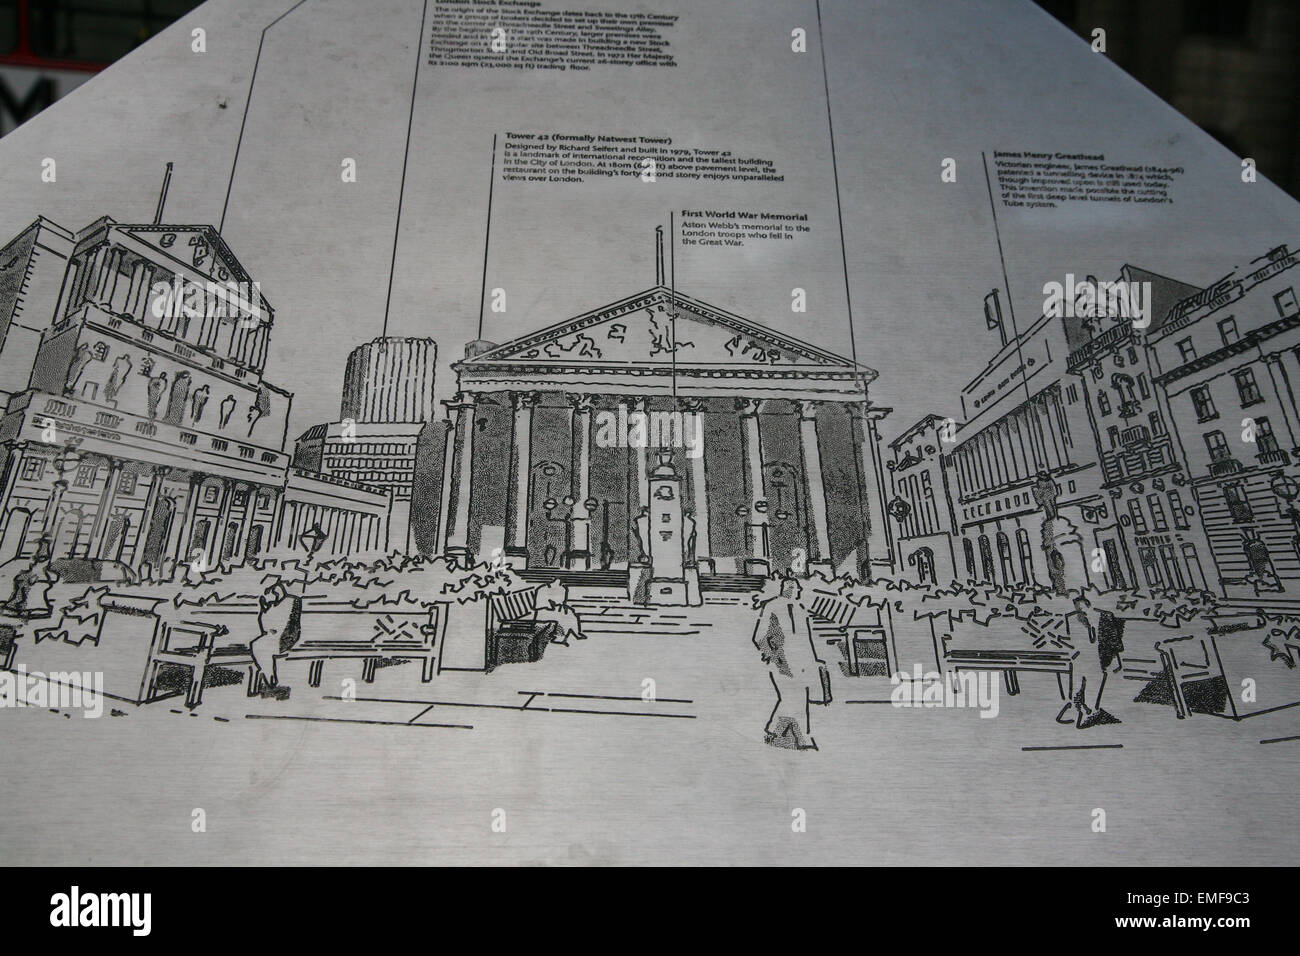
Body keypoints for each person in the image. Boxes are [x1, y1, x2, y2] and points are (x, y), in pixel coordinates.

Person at [751, 575, 829, 750]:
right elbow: (759, 637)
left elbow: (806, 640)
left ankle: (774, 730)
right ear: (788, 588)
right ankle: (804, 739)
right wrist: (774, 656)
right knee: (796, 699)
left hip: (801, 663)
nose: (799, 591)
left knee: (792, 699)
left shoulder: (800, 610)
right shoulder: (772, 607)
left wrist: (812, 662)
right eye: (796, 588)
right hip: (782, 663)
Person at [249, 580, 300, 700]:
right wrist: (266, 610)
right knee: (258, 645)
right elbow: (267, 625)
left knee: (259, 645)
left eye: (275, 591)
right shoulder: (276, 605)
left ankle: (271, 681)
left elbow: (288, 626)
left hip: (284, 638)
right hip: (275, 637)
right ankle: (270, 680)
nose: (273, 595)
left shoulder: (290, 601)